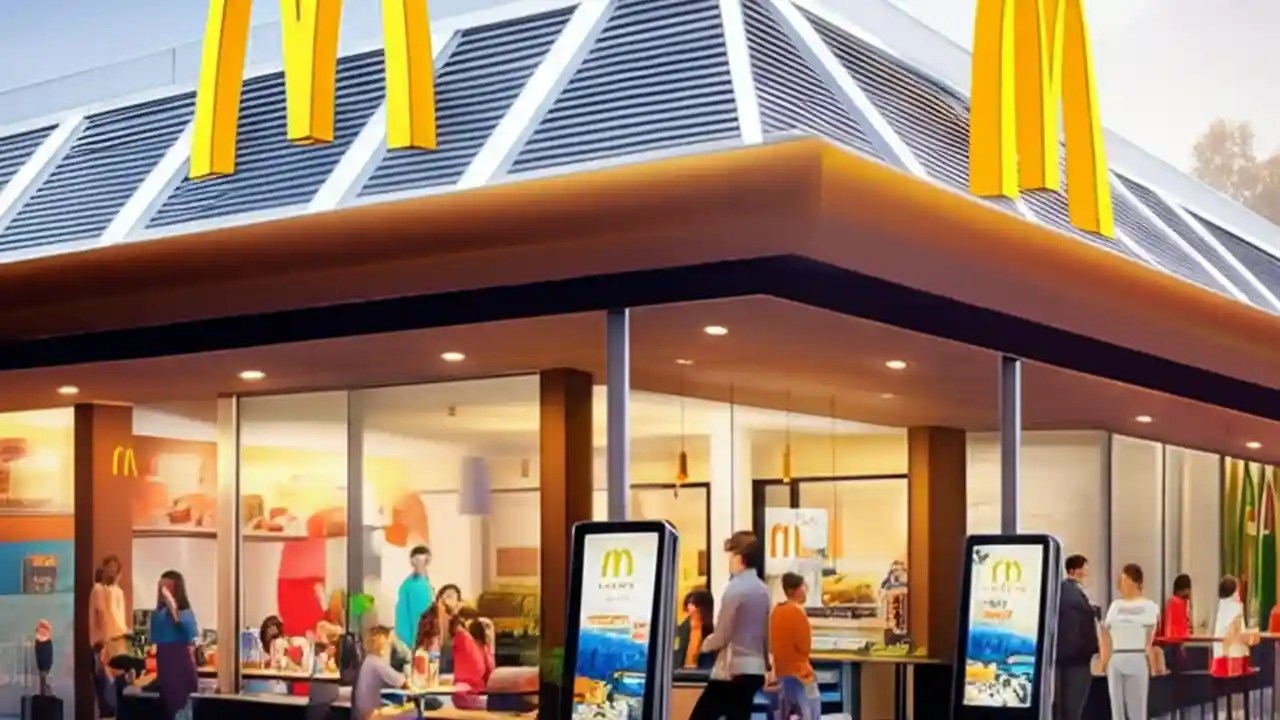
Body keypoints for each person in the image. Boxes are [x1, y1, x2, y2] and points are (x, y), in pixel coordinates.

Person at [690, 531, 772, 720]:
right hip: (755, 670)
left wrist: (704, 646)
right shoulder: (764, 590)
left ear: (740, 557)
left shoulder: (734, 589)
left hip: (732, 670)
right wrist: (767, 664)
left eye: (732, 555)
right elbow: (766, 633)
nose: (730, 561)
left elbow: (723, 635)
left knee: (701, 716)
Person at [1101, 563, 1159, 720]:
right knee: (1116, 710)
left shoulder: (1149, 606)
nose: (1121, 583)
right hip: (1116, 657)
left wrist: (1152, 662)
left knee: (1137, 710)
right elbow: (1106, 633)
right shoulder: (1115, 606)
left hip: (1137, 656)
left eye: (1124, 579)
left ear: (1134, 581)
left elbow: (1149, 638)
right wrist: (1104, 660)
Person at [1054, 554, 1099, 720]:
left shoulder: (1060, 592)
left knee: (1062, 708)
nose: (1087, 576)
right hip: (1076, 660)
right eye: (1085, 571)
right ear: (1076, 571)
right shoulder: (1074, 596)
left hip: (1063, 659)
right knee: (1072, 709)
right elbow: (1079, 628)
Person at [150, 571, 199, 720]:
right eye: (161, 587)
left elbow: (189, 632)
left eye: (168, 587)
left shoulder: (185, 613)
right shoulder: (158, 615)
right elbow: (155, 637)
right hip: (165, 667)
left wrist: (172, 605)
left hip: (181, 667)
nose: (163, 591)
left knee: (183, 710)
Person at [771, 572, 820, 720]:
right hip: (800, 675)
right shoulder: (797, 613)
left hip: (781, 674)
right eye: (803, 586)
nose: (806, 590)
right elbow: (804, 647)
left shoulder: (776, 612)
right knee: (811, 709)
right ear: (795, 591)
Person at [90, 556, 128, 717]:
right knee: (105, 694)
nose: (112, 570)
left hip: (119, 647)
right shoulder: (98, 590)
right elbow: (102, 615)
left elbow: (121, 620)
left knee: (120, 691)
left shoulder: (118, 592)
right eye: (109, 566)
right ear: (103, 568)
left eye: (115, 567)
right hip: (102, 646)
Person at [351, 626, 411, 720]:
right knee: (414, 712)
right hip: (371, 716)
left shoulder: (367, 661)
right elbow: (404, 683)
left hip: (360, 715)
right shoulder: (377, 663)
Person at [1211, 575, 1258, 677]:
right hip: (1233, 662)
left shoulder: (1221, 605)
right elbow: (1237, 632)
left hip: (1218, 658)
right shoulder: (1236, 607)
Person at [450, 607, 495, 710]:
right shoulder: (463, 640)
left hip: (478, 695)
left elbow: (491, 675)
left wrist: (491, 644)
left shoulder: (483, 648)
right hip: (466, 695)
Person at [395, 546, 434, 652]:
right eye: (418, 560)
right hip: (414, 642)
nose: (420, 564)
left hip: (408, 641)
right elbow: (419, 617)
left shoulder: (414, 582)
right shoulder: (416, 585)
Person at [674, 588, 716, 670]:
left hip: (701, 674)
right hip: (681, 673)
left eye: (693, 604)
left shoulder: (709, 630)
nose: (689, 607)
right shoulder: (682, 628)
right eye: (689, 603)